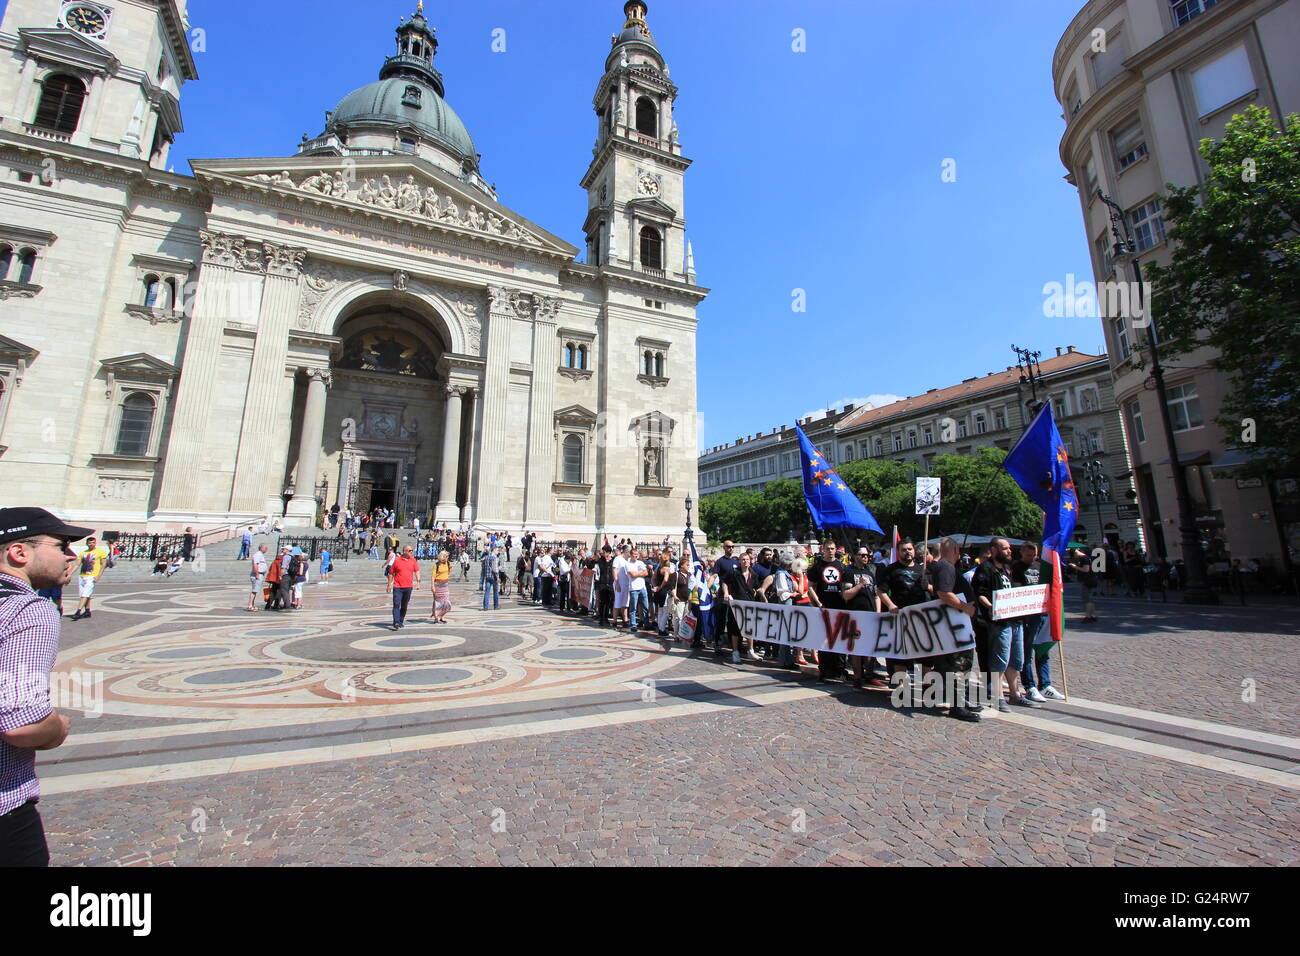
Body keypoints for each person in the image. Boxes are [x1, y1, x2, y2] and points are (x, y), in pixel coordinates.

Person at [0, 507, 92, 866]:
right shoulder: (29, 611)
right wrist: (56, 728)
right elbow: (21, 725)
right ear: (19, 552)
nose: (71, 555)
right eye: (62, 545)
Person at [973, 537, 1040, 712]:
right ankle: (998, 696)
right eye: (1005, 548)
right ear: (994, 550)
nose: (1009, 551)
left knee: (1016, 659)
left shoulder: (1008, 569)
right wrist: (990, 607)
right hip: (999, 621)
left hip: (1015, 619)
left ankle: (1015, 693)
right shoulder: (985, 569)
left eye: (1009, 548)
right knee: (1000, 659)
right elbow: (979, 593)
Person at [926, 538, 983, 722]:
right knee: (959, 666)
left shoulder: (945, 566)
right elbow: (944, 592)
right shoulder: (946, 567)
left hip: (954, 626)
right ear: (957, 550)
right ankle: (958, 706)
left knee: (953, 666)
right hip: (955, 627)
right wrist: (966, 608)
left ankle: (961, 701)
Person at [1012, 542, 1064, 702]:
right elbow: (1017, 589)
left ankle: (1045, 684)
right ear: (1021, 552)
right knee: (1026, 651)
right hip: (1028, 614)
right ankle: (1029, 686)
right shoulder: (1016, 567)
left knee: (1043, 649)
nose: (1032, 558)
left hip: (1043, 612)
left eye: (1034, 555)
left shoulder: (1041, 565)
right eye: (1028, 555)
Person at [70, 535, 108, 621]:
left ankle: (78, 612)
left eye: (93, 542)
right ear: (87, 543)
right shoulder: (83, 553)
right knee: (84, 594)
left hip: (92, 576)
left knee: (85, 594)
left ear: (95, 543)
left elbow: (103, 565)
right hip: (83, 575)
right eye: (90, 542)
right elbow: (77, 564)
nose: (91, 544)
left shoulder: (100, 552)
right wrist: (70, 574)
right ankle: (87, 611)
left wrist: (98, 576)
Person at [390, 545, 420, 630]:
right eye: (410, 550)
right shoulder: (397, 561)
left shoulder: (413, 560)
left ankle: (400, 621)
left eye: (412, 550)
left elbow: (417, 571)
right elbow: (391, 573)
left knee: (404, 605)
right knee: (396, 604)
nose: (411, 552)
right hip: (397, 586)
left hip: (408, 587)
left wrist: (418, 582)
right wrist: (389, 584)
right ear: (405, 551)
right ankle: (396, 621)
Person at [1067, 548, 1099, 622]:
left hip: (1087, 580)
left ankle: (1088, 616)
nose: (1075, 557)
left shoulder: (1084, 558)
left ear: (1075, 553)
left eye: (1074, 555)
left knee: (1087, 598)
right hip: (1090, 579)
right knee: (1090, 598)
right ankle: (1093, 615)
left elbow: (1086, 569)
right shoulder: (1085, 557)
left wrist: (1075, 566)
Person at [626, 549, 651, 633]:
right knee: (633, 608)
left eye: (637, 554)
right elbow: (632, 575)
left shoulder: (640, 563)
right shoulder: (628, 564)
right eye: (634, 554)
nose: (635, 556)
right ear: (630, 554)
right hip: (633, 588)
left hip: (642, 587)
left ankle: (646, 623)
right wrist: (640, 573)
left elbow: (646, 573)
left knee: (645, 607)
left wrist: (637, 573)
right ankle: (633, 624)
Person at [429, 550, 452, 622]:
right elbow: (433, 576)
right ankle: (436, 616)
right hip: (438, 585)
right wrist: (432, 585)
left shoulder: (448, 564)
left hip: (445, 584)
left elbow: (449, 572)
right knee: (438, 602)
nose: (447, 558)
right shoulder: (436, 565)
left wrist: (449, 573)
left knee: (445, 601)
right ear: (442, 557)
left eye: (448, 556)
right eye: (446, 556)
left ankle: (442, 615)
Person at [247, 544, 269, 611]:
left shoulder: (260, 555)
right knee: (254, 590)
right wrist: (257, 574)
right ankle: (250, 605)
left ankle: (252, 605)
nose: (266, 550)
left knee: (255, 590)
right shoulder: (257, 555)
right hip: (257, 574)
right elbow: (255, 564)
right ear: (261, 548)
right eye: (265, 548)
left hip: (260, 574)